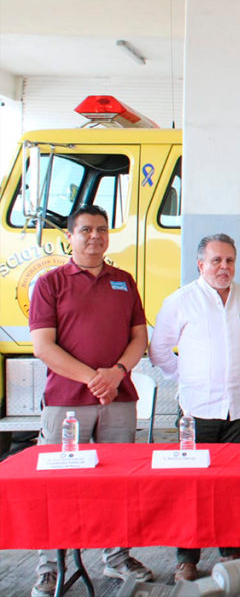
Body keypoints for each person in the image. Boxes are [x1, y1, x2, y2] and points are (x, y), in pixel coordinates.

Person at [28, 205, 154, 596]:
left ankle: (117, 556)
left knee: (117, 484)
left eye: (101, 229)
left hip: (118, 399)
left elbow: (139, 338)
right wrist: (93, 379)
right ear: (70, 236)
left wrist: (117, 373)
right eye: (85, 230)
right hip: (67, 401)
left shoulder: (124, 281)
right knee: (58, 484)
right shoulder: (50, 283)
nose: (94, 236)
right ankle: (51, 566)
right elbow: (43, 347)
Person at [149, 234, 240, 582]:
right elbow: (159, 350)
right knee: (192, 487)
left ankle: (232, 553)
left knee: (234, 486)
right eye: (216, 261)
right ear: (201, 264)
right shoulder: (181, 301)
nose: (224, 267)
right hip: (196, 411)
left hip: (239, 408)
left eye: (229, 260)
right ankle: (187, 558)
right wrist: (188, 377)